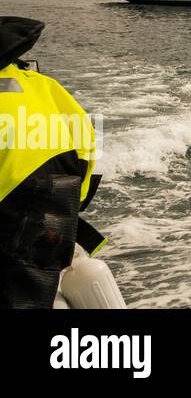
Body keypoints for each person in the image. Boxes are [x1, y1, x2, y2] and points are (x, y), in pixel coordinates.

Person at [0, 17, 107, 308]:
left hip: (12, 227)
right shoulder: (44, 85)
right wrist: (76, 202)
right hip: (58, 212)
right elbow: (86, 146)